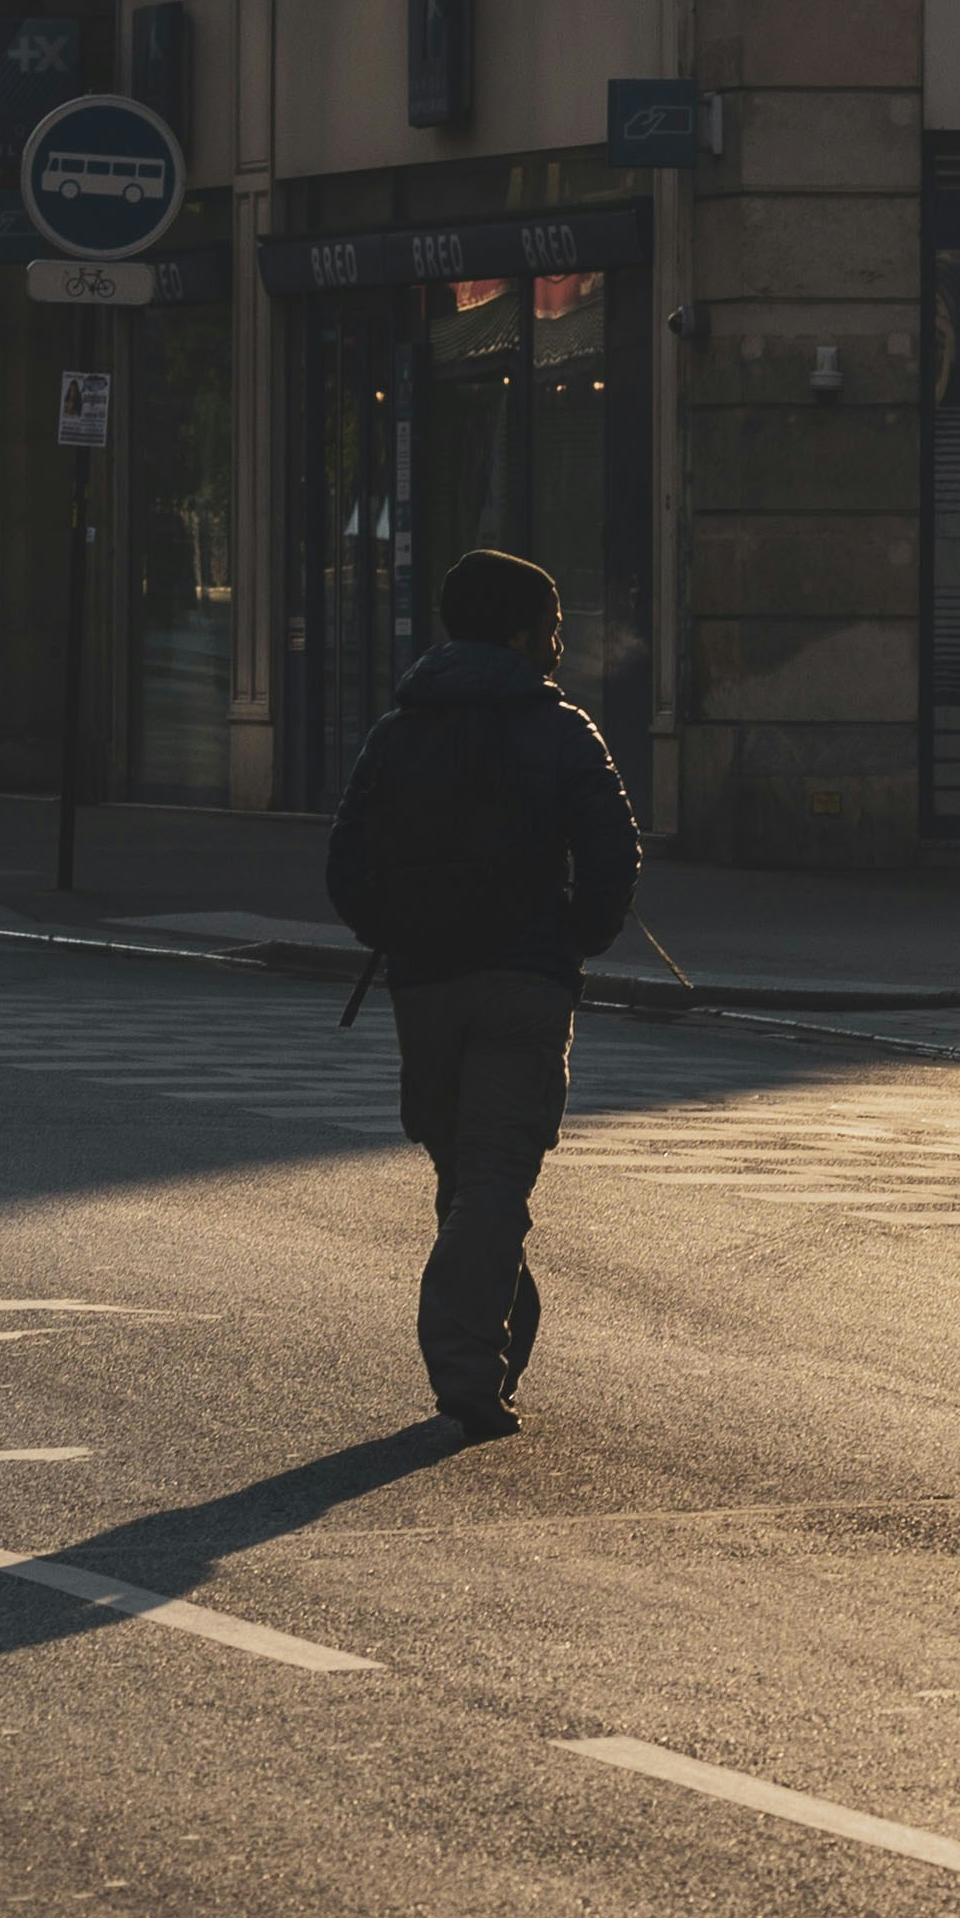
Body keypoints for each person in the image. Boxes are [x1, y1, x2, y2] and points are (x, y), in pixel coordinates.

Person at [324, 547, 641, 1438]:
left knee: (465, 1169)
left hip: (423, 985)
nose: (558, 645)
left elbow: (344, 860)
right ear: (517, 632)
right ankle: (466, 1365)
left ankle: (496, 1329)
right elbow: (615, 848)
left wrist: (392, 932)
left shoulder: (398, 729)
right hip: (523, 980)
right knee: (493, 1175)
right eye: (551, 628)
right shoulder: (561, 728)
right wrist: (576, 936)